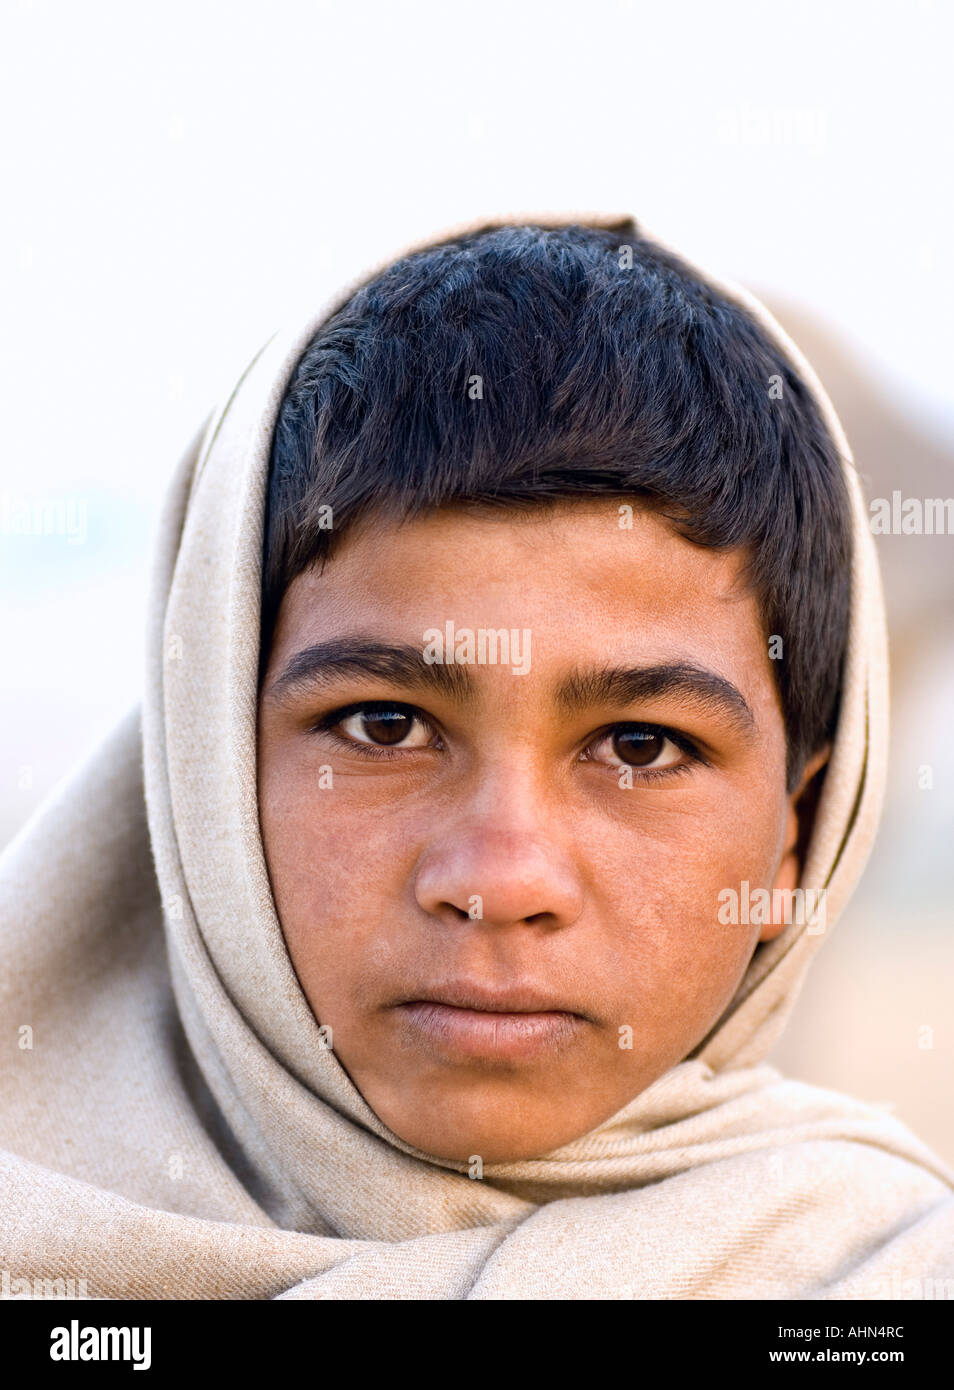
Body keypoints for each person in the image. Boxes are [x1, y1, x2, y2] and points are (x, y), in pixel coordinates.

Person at [1, 216, 951, 1299]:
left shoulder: (880, 1281)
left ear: (799, 834)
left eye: (640, 745)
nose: (501, 878)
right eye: (385, 726)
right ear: (207, 775)